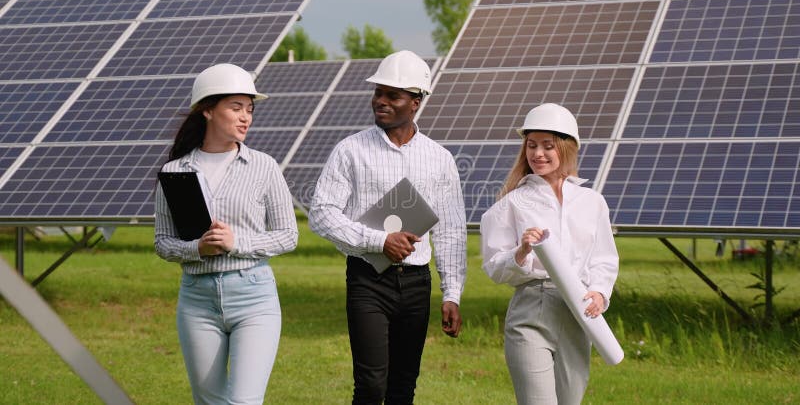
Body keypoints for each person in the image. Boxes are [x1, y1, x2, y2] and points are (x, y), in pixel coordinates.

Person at [308, 50, 467, 404]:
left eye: (392, 95)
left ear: (415, 102)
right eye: (378, 93)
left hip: (416, 284)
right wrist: (379, 241)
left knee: (403, 388)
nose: (380, 101)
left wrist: (452, 294)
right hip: (367, 280)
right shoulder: (350, 151)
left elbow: (451, 231)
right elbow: (321, 214)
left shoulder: (440, 159)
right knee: (370, 385)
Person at [154, 63, 298, 405]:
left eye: (249, 109)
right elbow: (162, 242)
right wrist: (197, 249)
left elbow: (288, 235)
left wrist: (237, 243)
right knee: (209, 402)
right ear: (207, 110)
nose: (246, 117)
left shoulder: (264, 166)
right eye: (236, 108)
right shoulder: (174, 172)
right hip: (197, 301)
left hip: (254, 297)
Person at [480, 103, 619, 405]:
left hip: (579, 313)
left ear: (567, 148)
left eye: (548, 145)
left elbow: (604, 259)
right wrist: (521, 251)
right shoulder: (511, 203)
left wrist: (599, 292)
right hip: (532, 311)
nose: (538, 153)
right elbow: (494, 266)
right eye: (531, 145)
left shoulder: (592, 202)